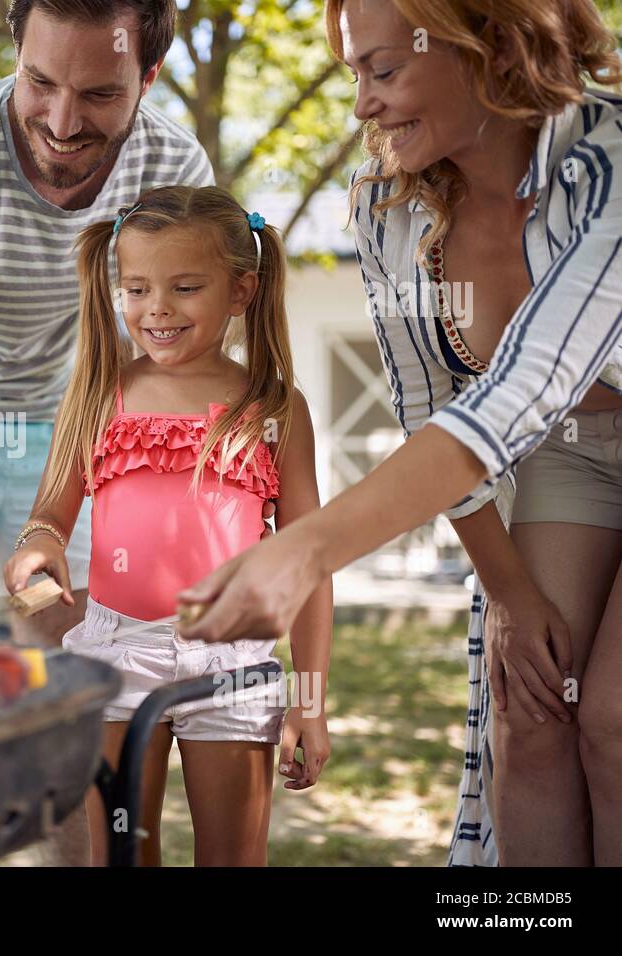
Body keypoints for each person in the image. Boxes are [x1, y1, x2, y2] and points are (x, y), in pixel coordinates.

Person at [177, 0, 622, 867]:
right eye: (355, 77)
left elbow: (525, 384)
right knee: (530, 712)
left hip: (538, 417)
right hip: (564, 456)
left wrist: (304, 551)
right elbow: (427, 402)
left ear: (488, 45)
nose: (362, 106)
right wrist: (509, 593)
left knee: (613, 720)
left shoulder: (607, 161)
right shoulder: (388, 202)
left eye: (384, 73)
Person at [0, 0, 218, 645]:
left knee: (84, 643)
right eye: (40, 82)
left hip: (66, 423)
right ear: (17, 51)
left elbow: (163, 368)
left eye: (101, 93)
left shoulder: (172, 173)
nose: (61, 122)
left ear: (151, 74)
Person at [4, 185, 333, 866]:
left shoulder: (275, 408)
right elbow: (47, 519)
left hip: (234, 664)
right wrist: (36, 551)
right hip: (117, 655)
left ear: (241, 290)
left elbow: (310, 563)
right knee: (121, 857)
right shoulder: (98, 394)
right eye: (136, 289)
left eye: (185, 287)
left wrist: (311, 703)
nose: (156, 308)